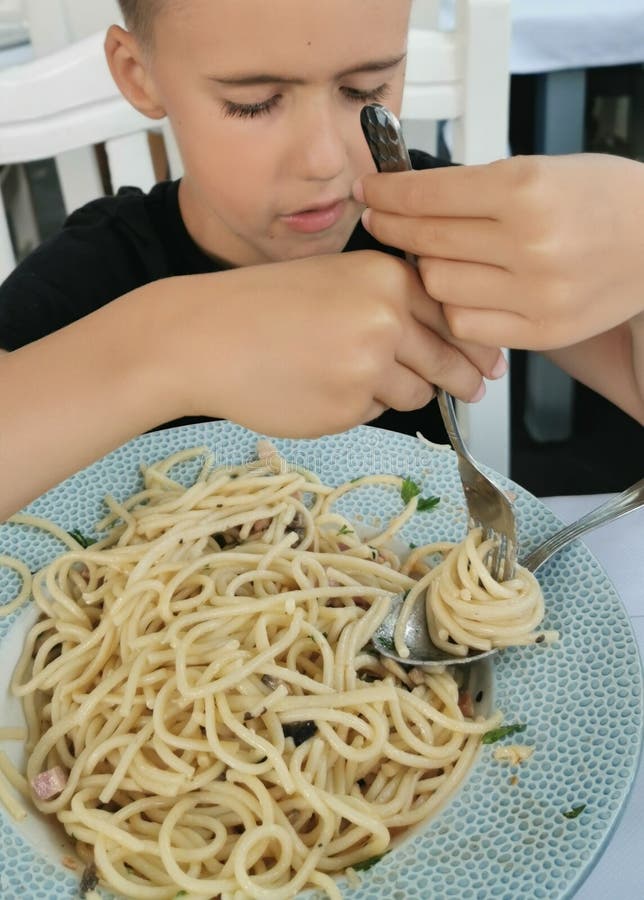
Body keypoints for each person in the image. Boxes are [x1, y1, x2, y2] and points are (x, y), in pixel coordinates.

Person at [0, 0, 642, 524]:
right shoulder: (99, 268)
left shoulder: (438, 225)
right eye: (252, 103)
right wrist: (172, 339)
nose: (324, 161)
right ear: (139, 74)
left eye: (366, 89)